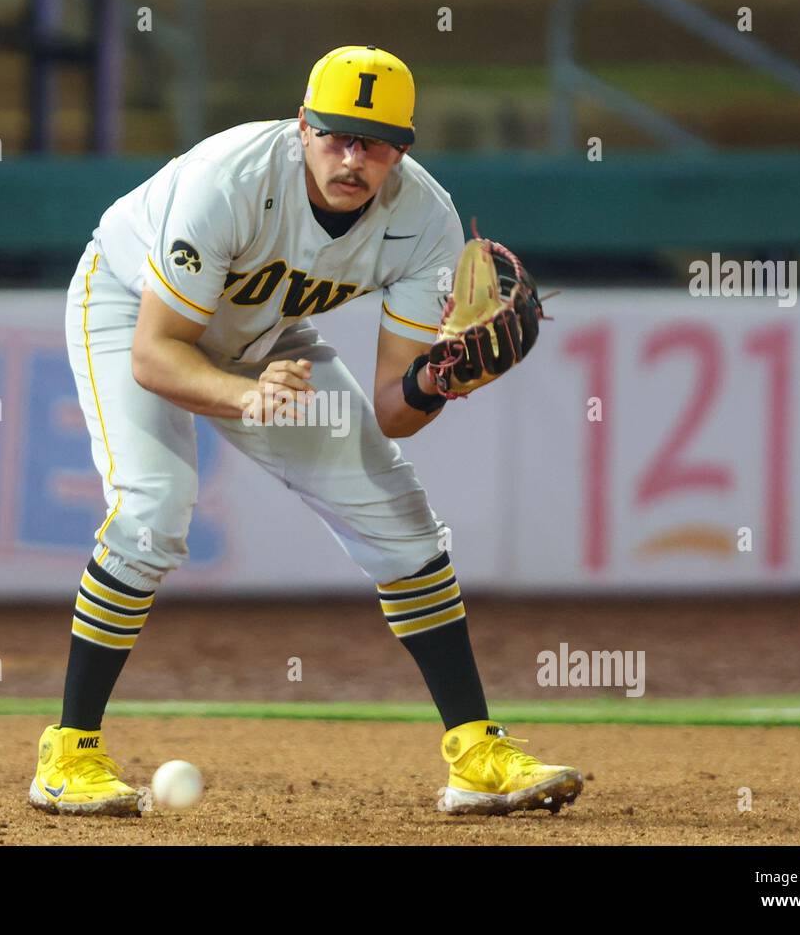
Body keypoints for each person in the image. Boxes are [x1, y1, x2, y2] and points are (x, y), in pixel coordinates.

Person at [30, 45, 583, 817]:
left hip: (265, 341)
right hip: (129, 309)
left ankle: (476, 753)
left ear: (402, 148)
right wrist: (244, 395)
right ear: (302, 126)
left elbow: (397, 410)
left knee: (395, 508)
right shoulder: (231, 179)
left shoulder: (424, 219)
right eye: (335, 135)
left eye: (376, 143)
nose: (353, 157)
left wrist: (437, 379)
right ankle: (69, 752)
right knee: (155, 505)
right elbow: (157, 358)